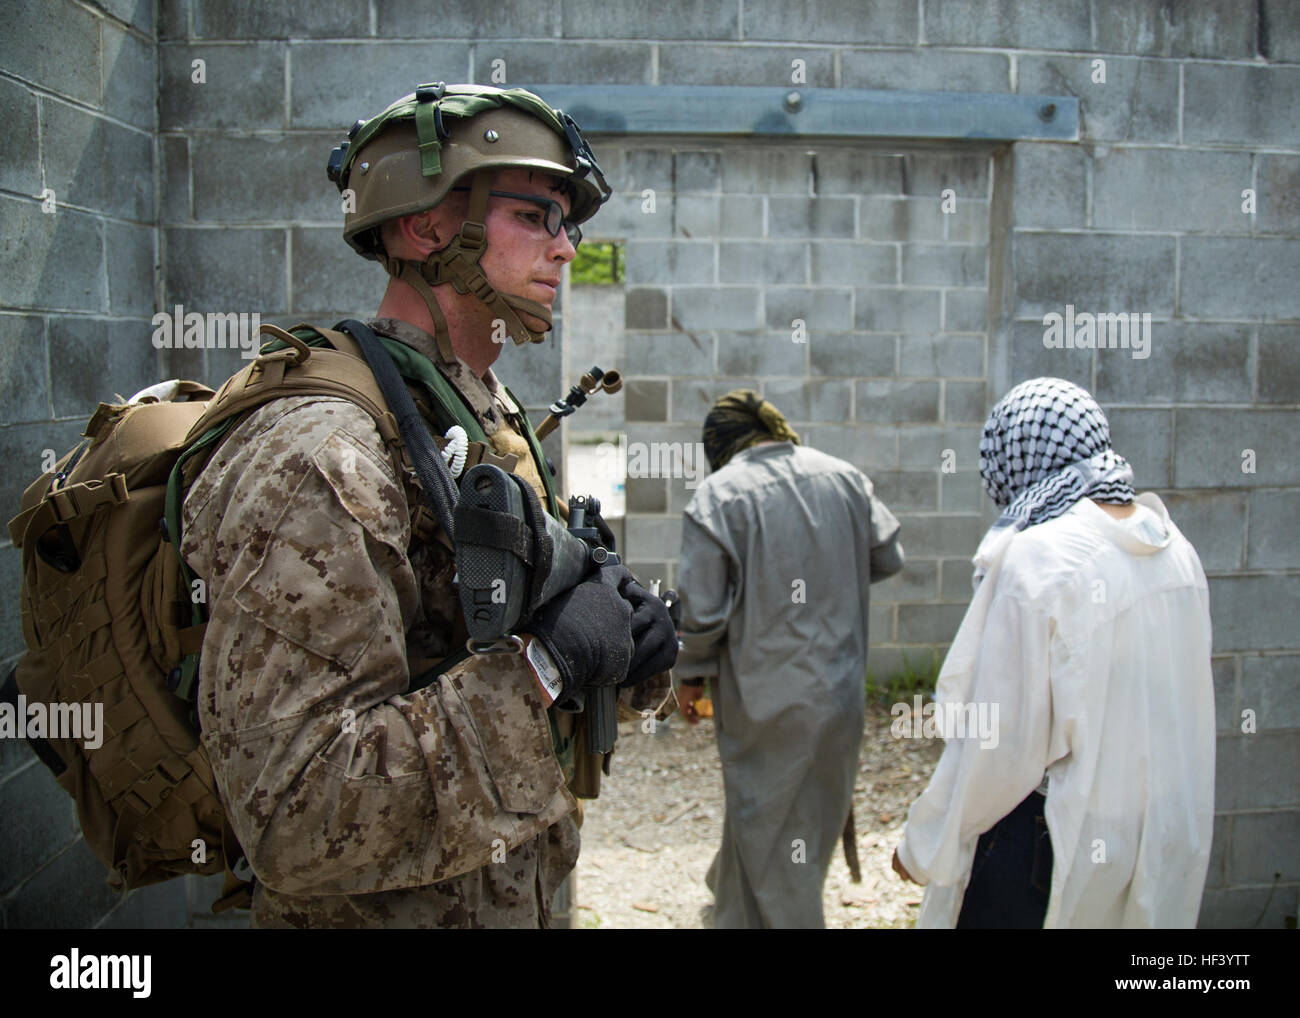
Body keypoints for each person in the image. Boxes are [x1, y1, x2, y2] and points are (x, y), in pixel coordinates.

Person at [179, 83, 676, 928]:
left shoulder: (479, 410)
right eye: (536, 217)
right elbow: (297, 811)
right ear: (425, 228)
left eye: (570, 225)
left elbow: (469, 645)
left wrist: (622, 656)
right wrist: (548, 667)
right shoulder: (323, 455)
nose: (565, 251)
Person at [891, 377, 1215, 928]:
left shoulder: (1040, 559)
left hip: (1041, 844)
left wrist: (925, 842)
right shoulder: (1174, 549)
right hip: (1146, 837)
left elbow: (1000, 747)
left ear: (1015, 455)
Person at [673, 390, 905, 928]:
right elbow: (888, 554)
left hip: (766, 704)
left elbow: (702, 615)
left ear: (721, 448)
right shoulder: (843, 477)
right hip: (839, 695)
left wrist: (689, 678)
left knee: (778, 852)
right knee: (785, 830)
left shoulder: (719, 496)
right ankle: (729, 915)